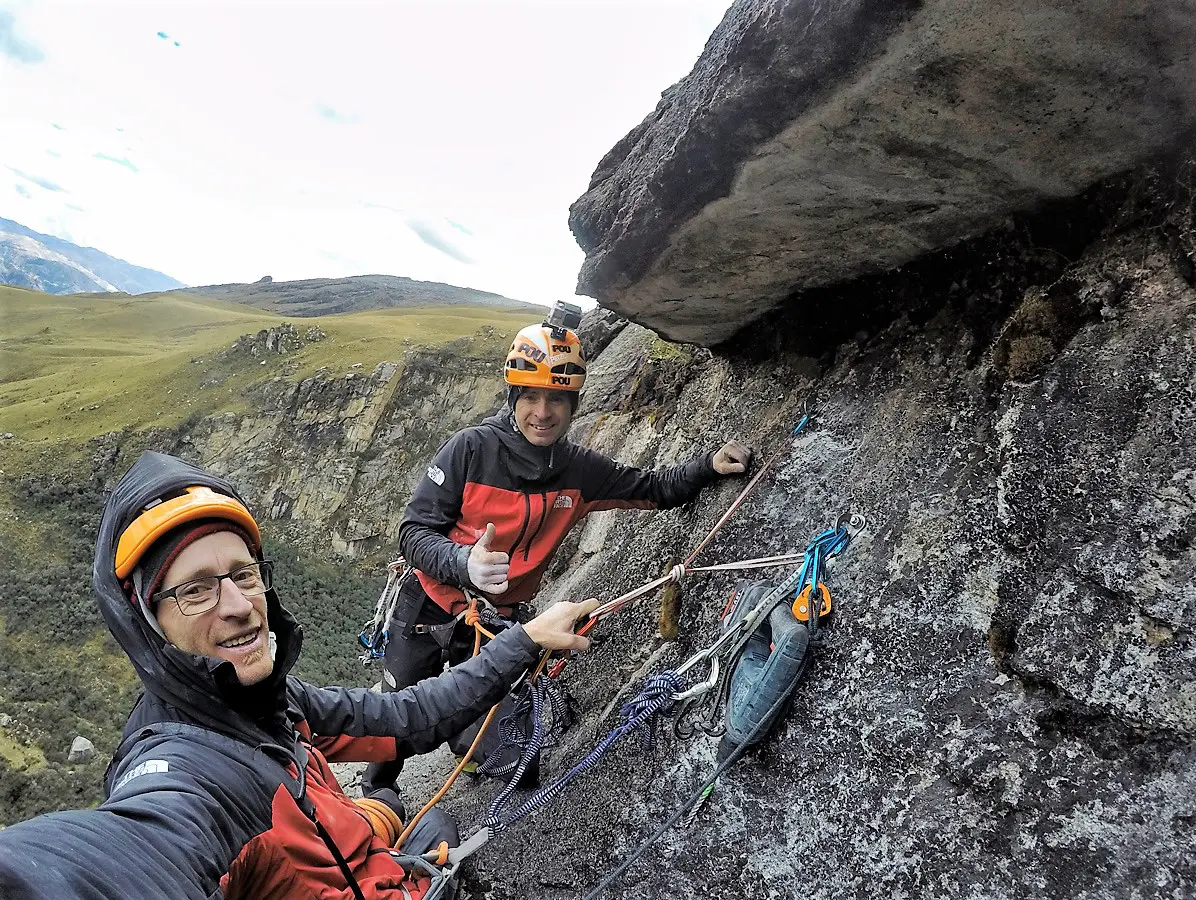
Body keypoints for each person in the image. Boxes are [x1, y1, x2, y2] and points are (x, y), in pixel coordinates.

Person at [0, 450, 599, 899]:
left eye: (242, 573)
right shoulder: (186, 771)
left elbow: (408, 717)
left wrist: (524, 639)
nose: (237, 605)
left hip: (355, 870)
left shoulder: (269, 700)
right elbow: (114, 859)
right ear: (149, 625)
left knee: (406, 808)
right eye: (194, 590)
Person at [362, 307, 751, 794]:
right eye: (531, 397)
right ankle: (376, 801)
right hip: (427, 607)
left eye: (557, 400)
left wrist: (709, 466)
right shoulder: (469, 450)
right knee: (393, 725)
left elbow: (654, 488)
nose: (542, 413)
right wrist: (465, 563)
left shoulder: (579, 471)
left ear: (574, 404)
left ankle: (467, 745)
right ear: (514, 396)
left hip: (495, 623)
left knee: (515, 764)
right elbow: (414, 532)